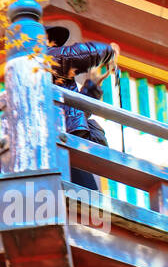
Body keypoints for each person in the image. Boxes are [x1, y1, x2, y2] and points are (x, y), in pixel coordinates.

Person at [45, 25, 117, 191]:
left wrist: (91, 87)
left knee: (86, 200)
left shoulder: (52, 76)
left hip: (65, 142)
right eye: (50, 39)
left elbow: (72, 112)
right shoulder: (43, 59)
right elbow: (81, 54)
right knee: (86, 202)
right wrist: (109, 51)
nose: (55, 45)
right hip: (60, 143)